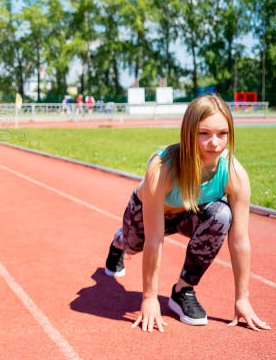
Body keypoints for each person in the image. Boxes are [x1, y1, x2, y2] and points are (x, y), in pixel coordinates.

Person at [103, 95, 270, 332]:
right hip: (149, 212)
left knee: (222, 215)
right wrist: (149, 298)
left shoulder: (234, 174)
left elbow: (240, 239)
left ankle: (183, 289)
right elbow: (154, 239)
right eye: (204, 134)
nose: (215, 143)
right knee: (133, 245)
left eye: (222, 134)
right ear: (189, 133)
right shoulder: (163, 169)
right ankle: (118, 243)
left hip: (189, 214)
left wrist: (242, 298)